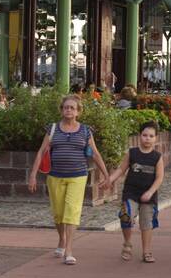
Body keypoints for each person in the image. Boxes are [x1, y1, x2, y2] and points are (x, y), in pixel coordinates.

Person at [28, 94, 110, 265]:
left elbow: (94, 153)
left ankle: (69, 250)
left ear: (78, 111)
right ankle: (62, 239)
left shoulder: (85, 131)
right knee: (58, 214)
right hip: (55, 176)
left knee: (71, 212)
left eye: (72, 108)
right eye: (66, 107)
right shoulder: (53, 129)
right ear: (61, 110)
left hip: (78, 176)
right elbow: (41, 151)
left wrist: (106, 175)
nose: (69, 110)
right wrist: (33, 175)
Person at [107, 121, 164, 262]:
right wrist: (110, 179)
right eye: (145, 135)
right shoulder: (132, 153)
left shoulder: (157, 157)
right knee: (125, 215)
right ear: (140, 136)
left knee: (146, 222)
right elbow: (121, 169)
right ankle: (127, 243)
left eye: (151, 136)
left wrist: (150, 192)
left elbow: (159, 177)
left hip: (148, 195)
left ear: (156, 138)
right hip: (131, 192)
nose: (147, 138)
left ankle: (147, 251)